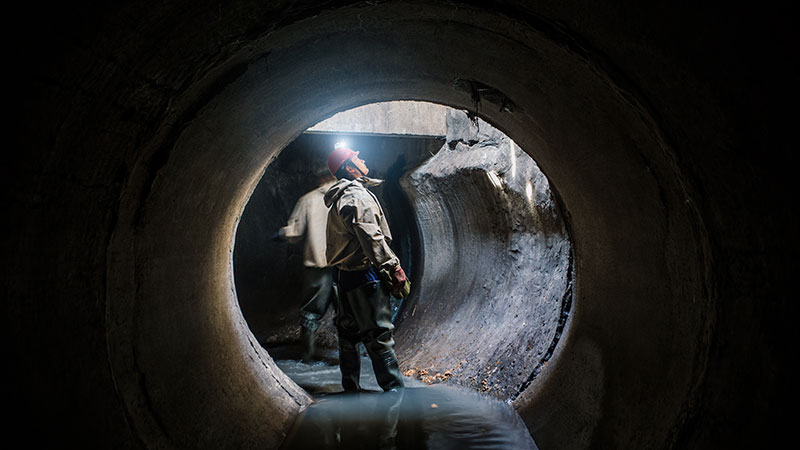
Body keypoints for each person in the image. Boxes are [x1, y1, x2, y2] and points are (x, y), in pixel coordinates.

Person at [323, 144, 411, 393]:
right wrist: (393, 266)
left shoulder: (342, 195)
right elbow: (371, 237)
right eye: (356, 157)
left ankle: (351, 391)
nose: (361, 158)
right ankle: (396, 395)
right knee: (380, 336)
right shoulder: (357, 197)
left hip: (342, 276)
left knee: (348, 334)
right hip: (363, 276)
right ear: (349, 168)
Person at [277, 169, 337, 362]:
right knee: (349, 314)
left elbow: (294, 233)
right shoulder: (349, 195)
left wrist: (280, 234)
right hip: (346, 266)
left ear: (320, 178)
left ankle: (308, 358)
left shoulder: (307, 200)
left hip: (317, 266)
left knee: (310, 314)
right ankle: (350, 361)